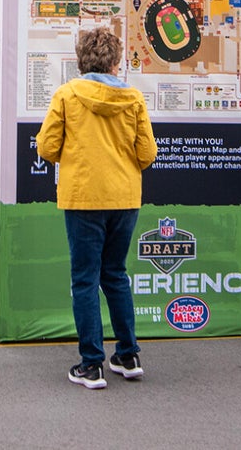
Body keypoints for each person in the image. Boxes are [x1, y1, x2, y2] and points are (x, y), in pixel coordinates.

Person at [36, 26, 158, 390]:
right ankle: (128, 354)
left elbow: (46, 147)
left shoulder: (67, 95)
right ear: (116, 59)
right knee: (116, 275)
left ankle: (92, 364)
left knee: (85, 279)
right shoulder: (134, 98)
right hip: (124, 197)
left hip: (83, 197)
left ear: (80, 59)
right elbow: (147, 154)